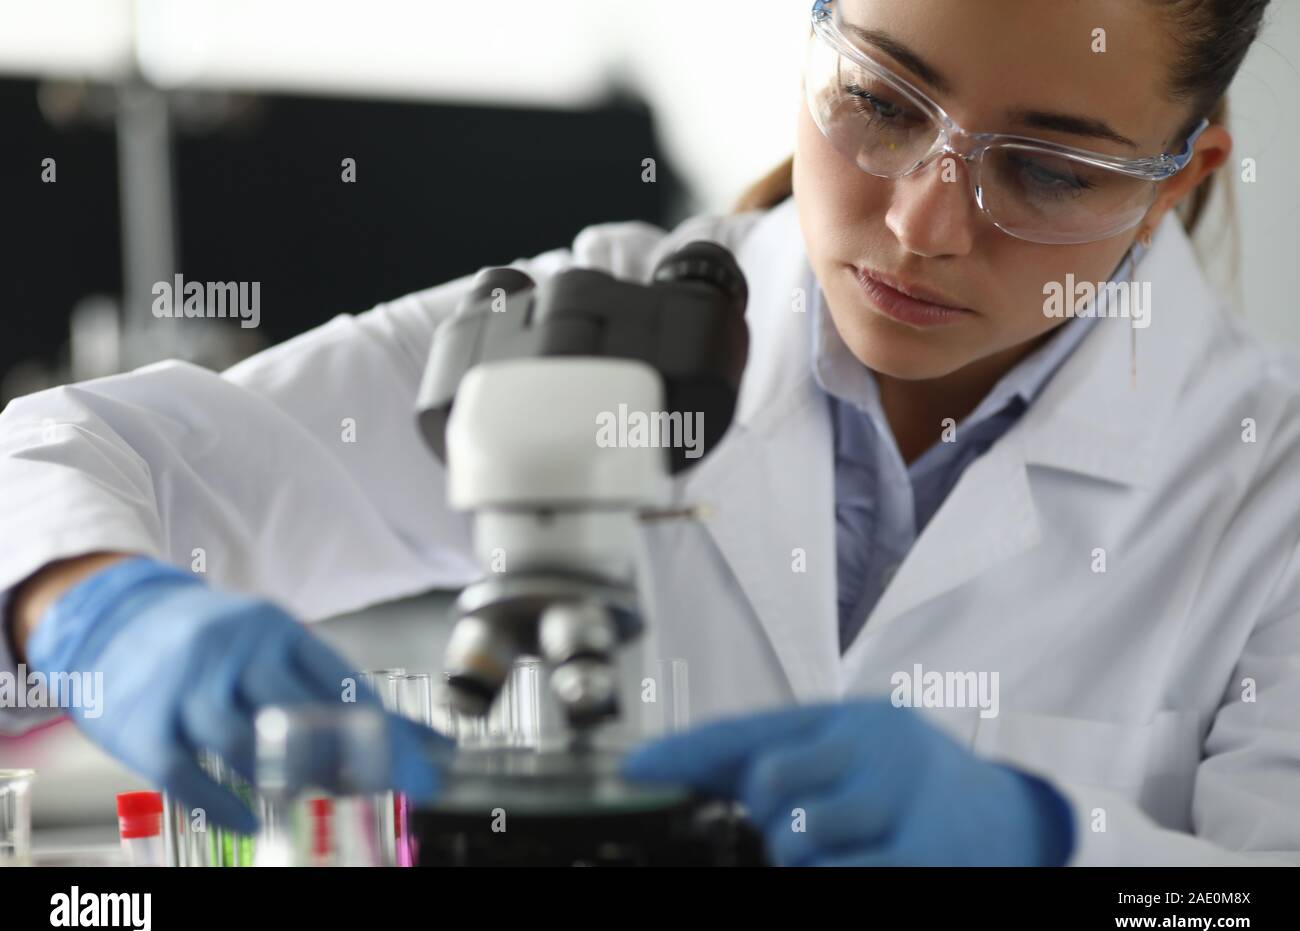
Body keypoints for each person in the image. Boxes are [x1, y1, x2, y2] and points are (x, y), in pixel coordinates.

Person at [1, 0, 1293, 864]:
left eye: (1052, 171)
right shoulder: (595, 321)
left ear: (1178, 176)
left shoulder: (1266, 486)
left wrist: (1039, 841)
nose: (923, 225)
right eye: (883, 105)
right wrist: (95, 612)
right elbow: (69, 459)